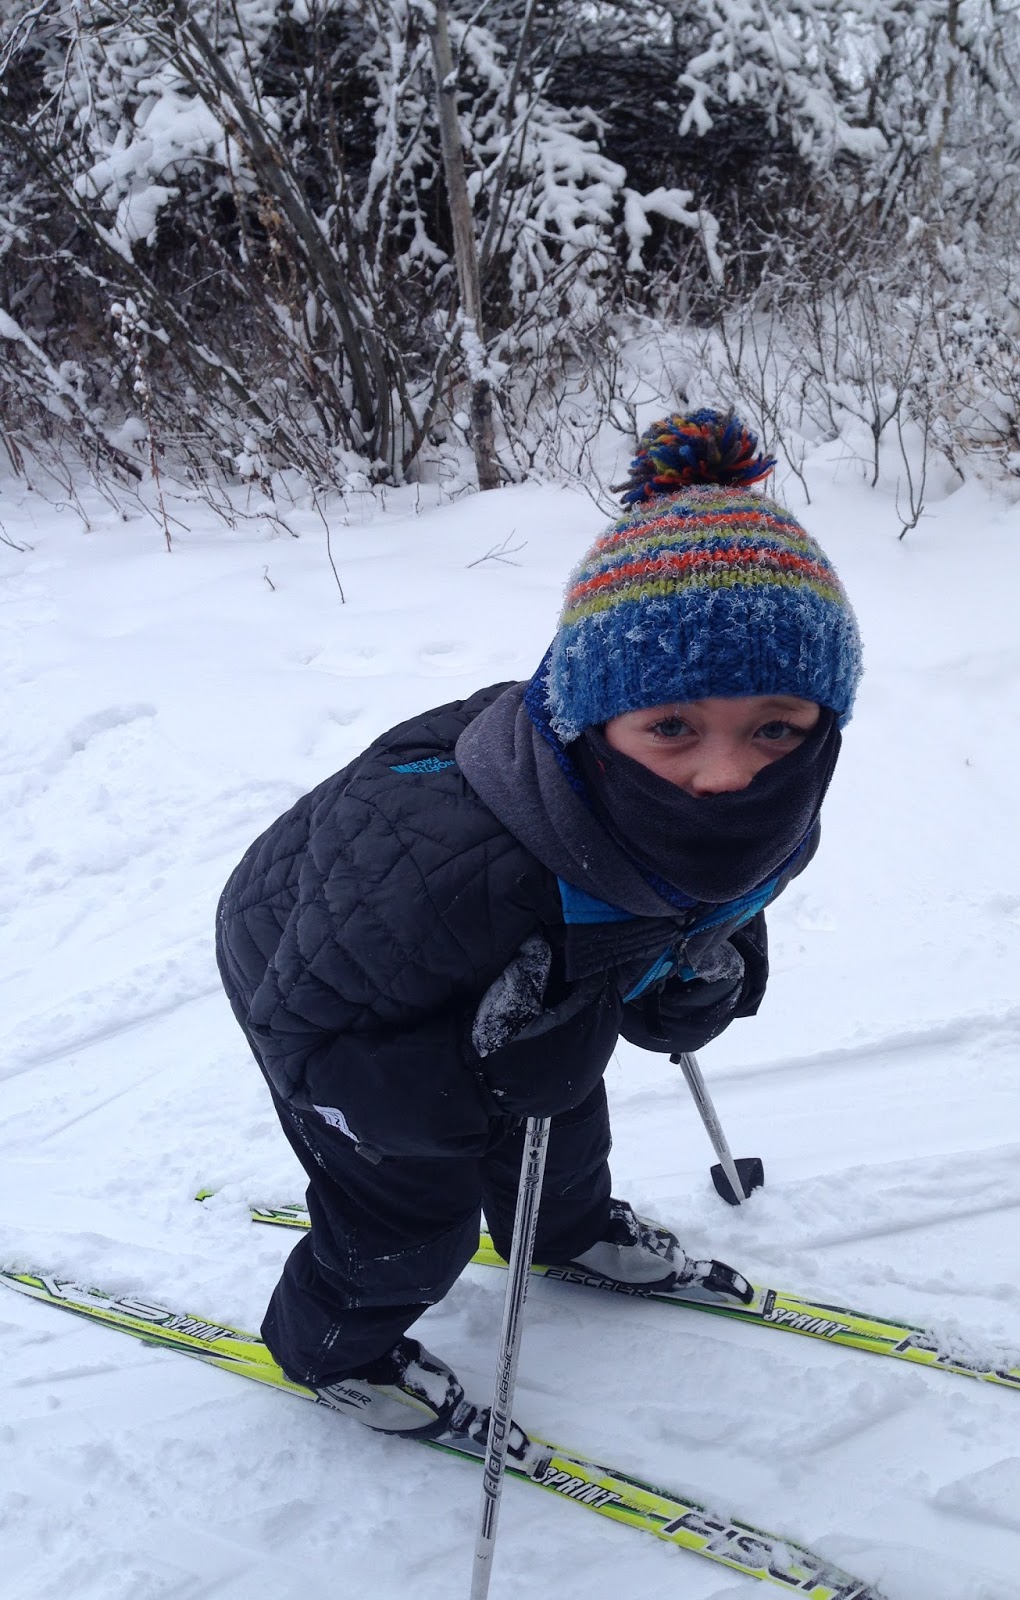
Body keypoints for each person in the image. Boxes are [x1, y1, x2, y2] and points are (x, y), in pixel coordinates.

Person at [215, 408, 862, 1440]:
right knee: (408, 1218)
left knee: (559, 1117)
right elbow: (313, 1037)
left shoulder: (770, 815)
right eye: (673, 725)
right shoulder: (460, 857)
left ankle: (562, 1232)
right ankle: (335, 1349)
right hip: (319, 969)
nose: (726, 773)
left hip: (510, 993)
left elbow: (697, 923)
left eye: (775, 726)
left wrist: (701, 975)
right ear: (591, 716)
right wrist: (468, 1091)